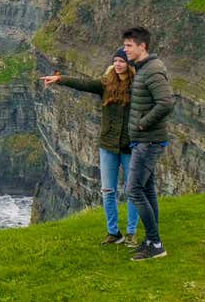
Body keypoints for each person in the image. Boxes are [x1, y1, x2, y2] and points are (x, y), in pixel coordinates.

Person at [40, 47, 139, 247]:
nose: (118, 64)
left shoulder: (137, 87)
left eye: (122, 61)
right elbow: (83, 84)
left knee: (133, 191)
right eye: (116, 61)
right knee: (107, 190)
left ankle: (131, 233)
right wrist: (61, 79)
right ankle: (114, 232)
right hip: (107, 146)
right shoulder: (105, 84)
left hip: (130, 147)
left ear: (129, 65)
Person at [122, 26, 174, 261]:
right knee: (147, 189)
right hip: (146, 141)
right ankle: (152, 240)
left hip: (148, 141)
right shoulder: (144, 69)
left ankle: (155, 243)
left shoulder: (152, 70)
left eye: (129, 46)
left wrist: (143, 124)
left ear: (142, 46)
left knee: (133, 189)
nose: (125, 50)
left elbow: (165, 103)